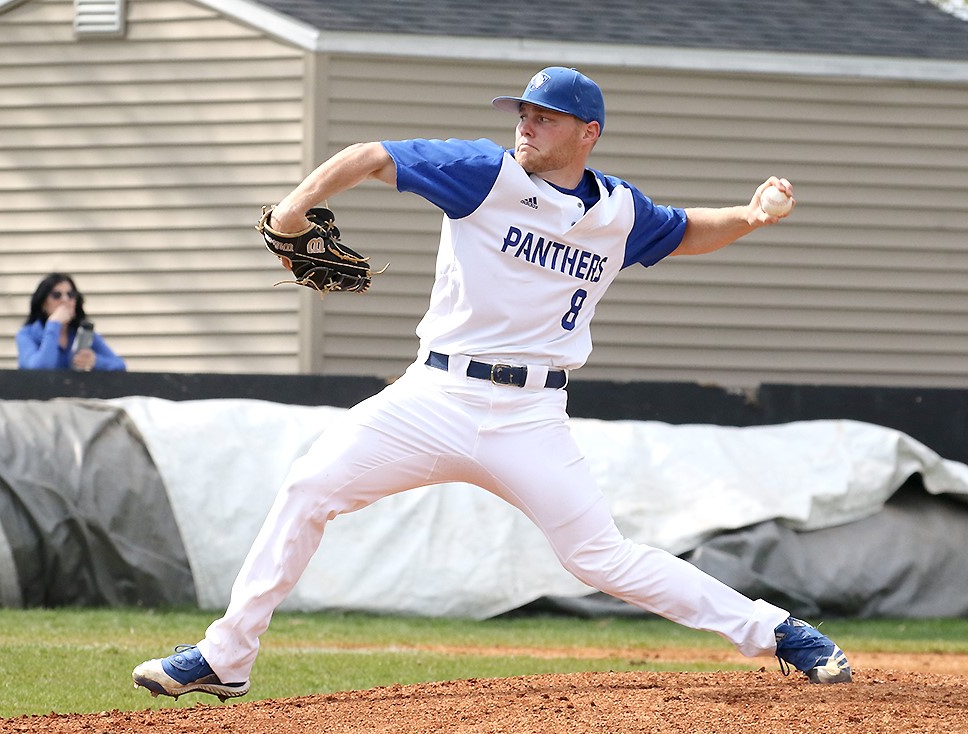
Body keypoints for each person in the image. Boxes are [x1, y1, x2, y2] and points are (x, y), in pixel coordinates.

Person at [132, 67, 851, 700]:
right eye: (522, 113)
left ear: (587, 133)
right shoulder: (486, 173)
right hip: (432, 399)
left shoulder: (619, 213)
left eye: (544, 117)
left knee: (599, 557)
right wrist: (294, 207)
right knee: (308, 487)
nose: (526, 125)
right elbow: (370, 156)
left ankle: (777, 631)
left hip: (530, 415)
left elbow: (689, 228)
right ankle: (225, 657)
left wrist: (753, 216)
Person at [16, 273, 126, 371]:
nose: (65, 300)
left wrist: (96, 361)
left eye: (70, 295)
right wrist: (54, 324)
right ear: (43, 304)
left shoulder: (83, 333)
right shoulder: (27, 335)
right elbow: (40, 369)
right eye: (57, 295)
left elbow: (119, 365)